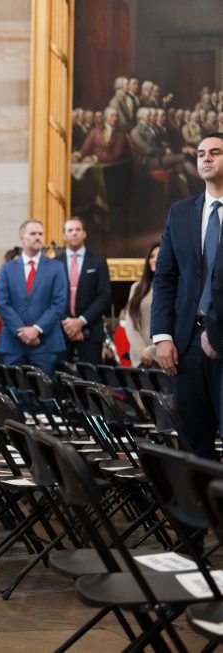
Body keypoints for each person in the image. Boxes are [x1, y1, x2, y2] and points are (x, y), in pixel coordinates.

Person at [153, 132, 223, 458]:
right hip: (186, 343)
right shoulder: (180, 212)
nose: (206, 158)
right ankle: (200, 509)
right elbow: (165, 278)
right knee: (193, 445)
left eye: (215, 152)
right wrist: (162, 335)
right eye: (200, 154)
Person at [0, 219, 68, 374]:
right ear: (21, 238)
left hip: (45, 341)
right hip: (13, 341)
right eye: (33, 233)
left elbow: (59, 303)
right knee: (14, 394)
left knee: (44, 394)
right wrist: (22, 331)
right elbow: (2, 303)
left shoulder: (56, 267)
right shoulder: (7, 269)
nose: (38, 237)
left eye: (40, 234)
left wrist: (36, 329)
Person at [54, 217, 112, 364]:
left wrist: (80, 321)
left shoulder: (98, 262)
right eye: (70, 230)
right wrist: (68, 322)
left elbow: (104, 296)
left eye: (78, 230)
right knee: (60, 380)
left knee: (91, 380)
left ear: (84, 234)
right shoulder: (54, 263)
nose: (74, 233)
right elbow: (50, 297)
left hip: (91, 330)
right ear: (64, 235)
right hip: (61, 330)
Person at [125, 243, 159, 367]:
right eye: (152, 256)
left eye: (160, 256)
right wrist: (143, 351)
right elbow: (130, 324)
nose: (155, 259)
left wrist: (152, 351)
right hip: (140, 358)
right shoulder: (136, 288)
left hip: (164, 356)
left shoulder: (176, 287)